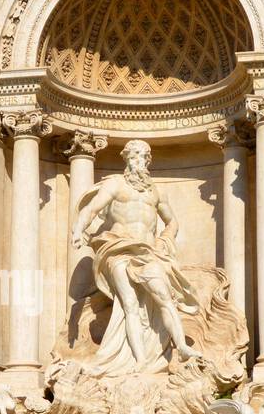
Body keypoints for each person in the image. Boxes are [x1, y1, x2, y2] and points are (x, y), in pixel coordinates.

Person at [70, 140, 203, 375]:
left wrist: (164, 241)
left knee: (165, 297)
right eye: (133, 157)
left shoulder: (157, 192)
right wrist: (79, 229)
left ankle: (181, 346)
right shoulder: (115, 185)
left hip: (148, 251)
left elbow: (172, 221)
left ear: (148, 160)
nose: (138, 161)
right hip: (118, 249)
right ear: (126, 159)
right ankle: (140, 359)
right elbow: (90, 209)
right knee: (128, 303)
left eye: (142, 157)